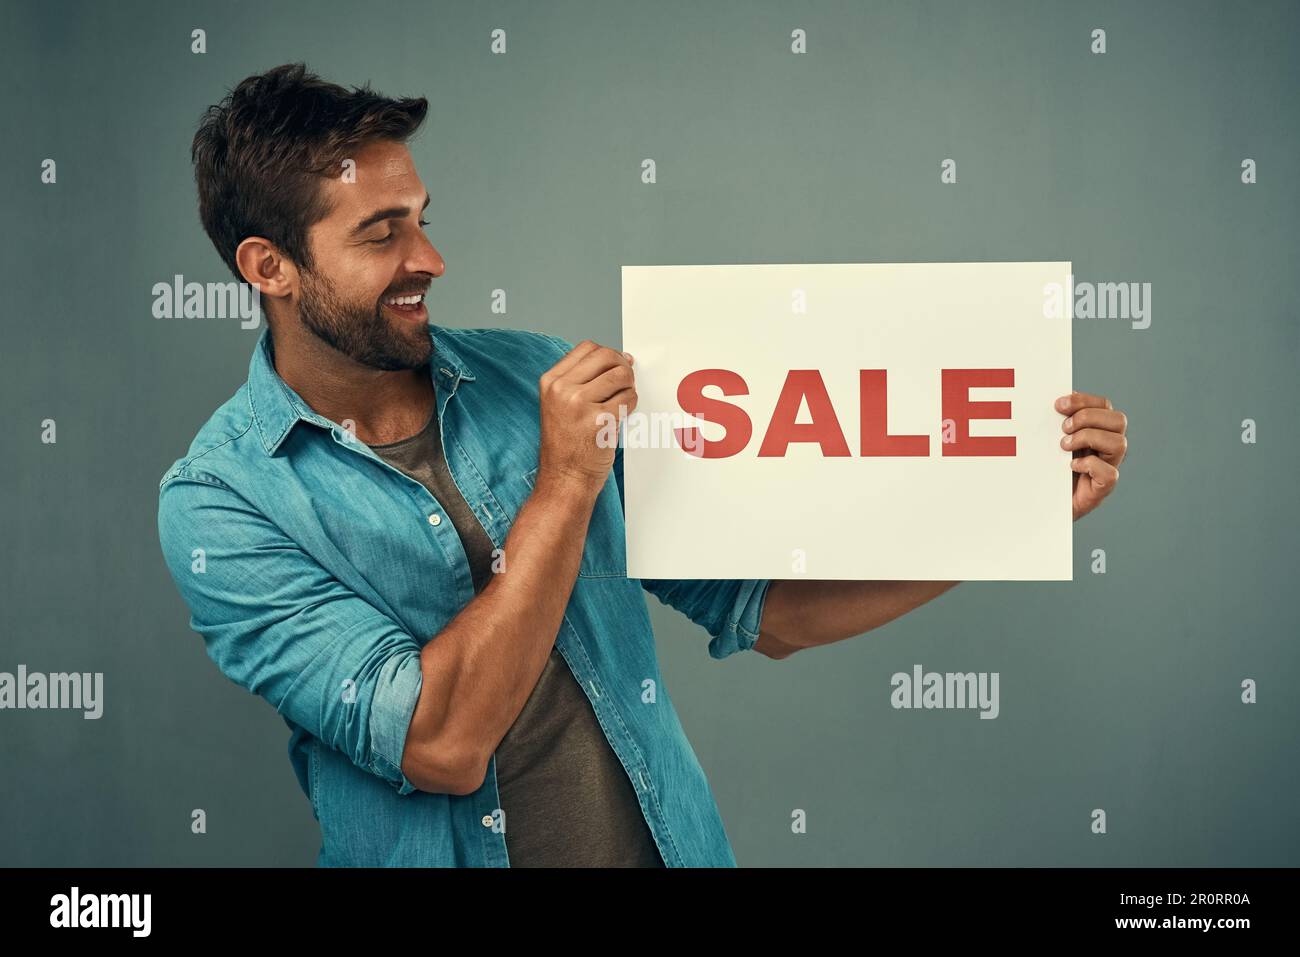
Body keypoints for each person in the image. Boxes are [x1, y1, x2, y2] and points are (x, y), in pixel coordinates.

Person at [157, 63, 1129, 867]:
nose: (431, 258)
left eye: (420, 215)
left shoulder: (538, 378)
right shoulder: (223, 505)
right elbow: (441, 743)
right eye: (381, 233)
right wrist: (567, 482)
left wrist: (1005, 511)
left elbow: (769, 608)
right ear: (267, 266)